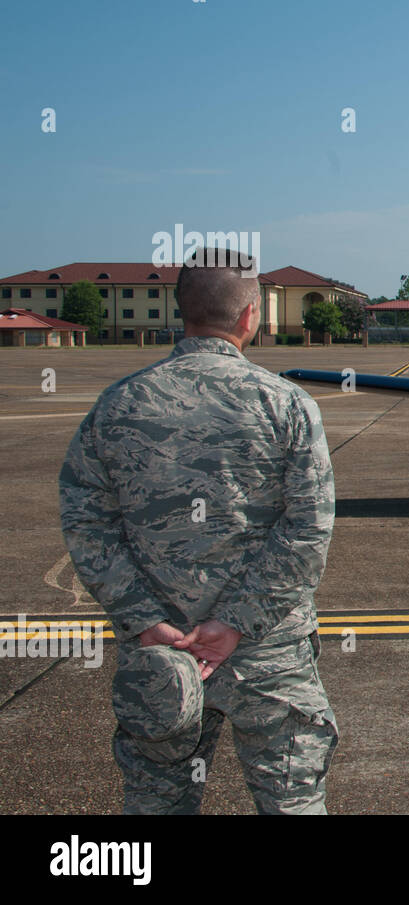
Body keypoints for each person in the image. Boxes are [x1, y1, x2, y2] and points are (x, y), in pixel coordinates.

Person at [59, 248, 338, 814]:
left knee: (156, 801)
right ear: (249, 316)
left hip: (162, 658)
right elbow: (308, 530)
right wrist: (236, 622)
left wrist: (144, 619)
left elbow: (87, 523)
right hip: (269, 656)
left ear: (179, 311)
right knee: (292, 803)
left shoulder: (118, 404)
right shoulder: (285, 404)